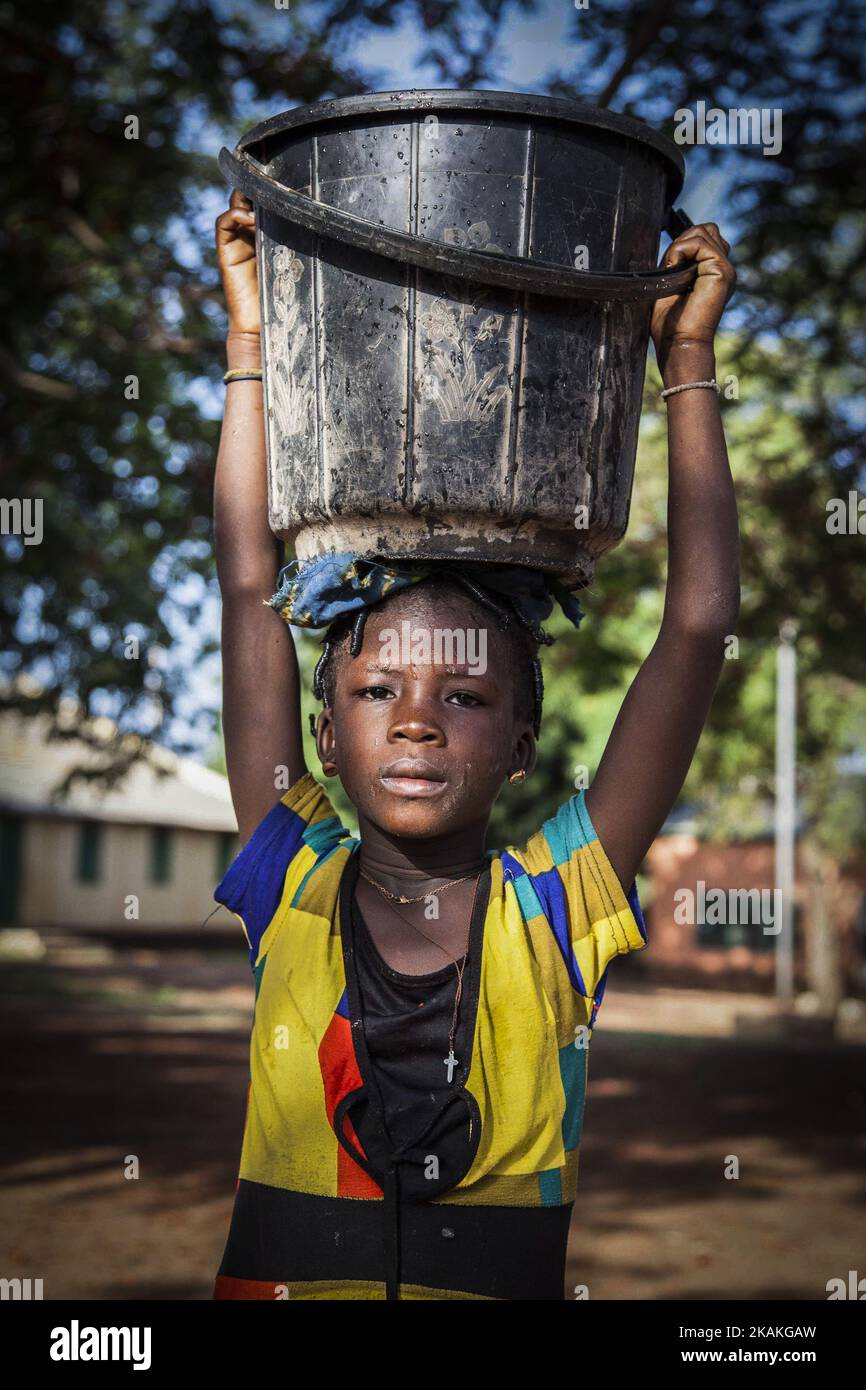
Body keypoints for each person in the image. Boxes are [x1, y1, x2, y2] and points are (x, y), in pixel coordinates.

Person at [210, 189, 738, 1300]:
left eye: (464, 695)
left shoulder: (555, 911)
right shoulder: (285, 877)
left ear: (520, 743)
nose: (413, 718)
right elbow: (250, 584)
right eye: (377, 689)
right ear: (322, 734)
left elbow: (694, 625)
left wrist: (682, 365)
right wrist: (254, 339)